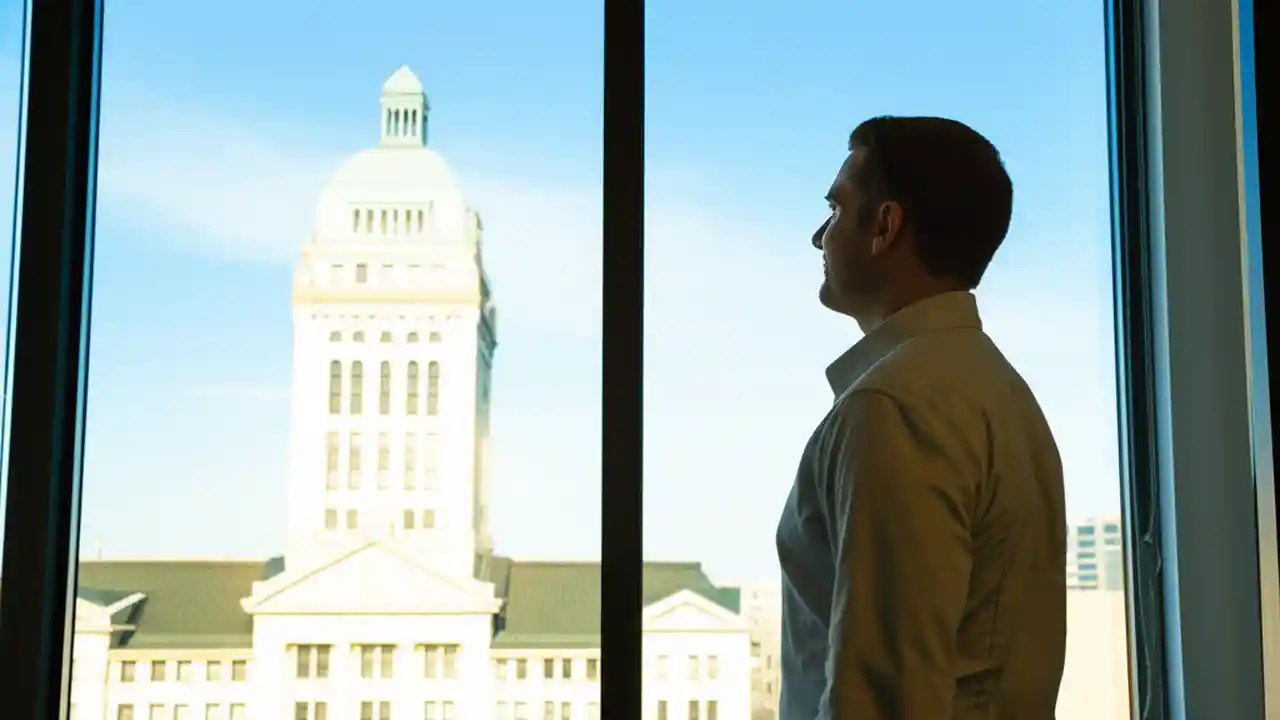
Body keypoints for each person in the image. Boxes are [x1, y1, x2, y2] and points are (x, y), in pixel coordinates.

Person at [776, 116, 1067, 719]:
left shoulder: (893, 407)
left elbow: (884, 697)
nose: (818, 236)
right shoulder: (995, 390)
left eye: (834, 209)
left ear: (885, 226)